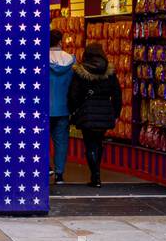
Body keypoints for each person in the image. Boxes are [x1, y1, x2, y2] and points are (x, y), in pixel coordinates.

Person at [68, 42, 122, 188]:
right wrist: (116, 113)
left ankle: (95, 176)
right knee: (98, 143)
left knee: (90, 144)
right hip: (105, 111)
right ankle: (97, 173)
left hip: (87, 112)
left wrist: (74, 109)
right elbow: (117, 94)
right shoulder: (109, 72)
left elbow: (74, 94)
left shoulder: (80, 72)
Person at [48, 29, 75, 184]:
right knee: (61, 141)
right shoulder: (70, 60)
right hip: (64, 107)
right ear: (60, 41)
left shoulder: (40, 60)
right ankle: (59, 174)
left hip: (44, 109)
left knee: (42, 140)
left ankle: (46, 167)